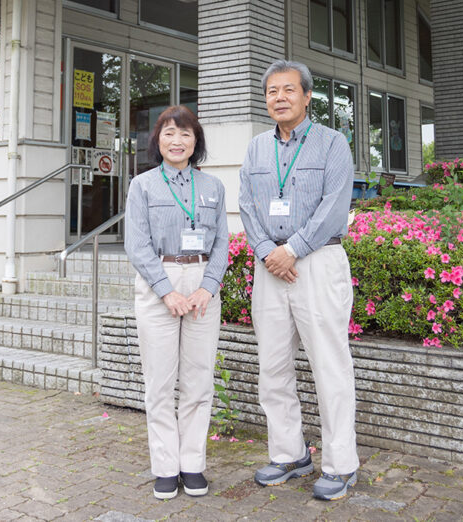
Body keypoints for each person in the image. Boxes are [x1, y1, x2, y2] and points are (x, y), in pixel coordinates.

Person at [238, 60, 359, 501]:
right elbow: (248, 205)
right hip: (270, 266)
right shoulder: (255, 149)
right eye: (272, 91)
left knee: (329, 364)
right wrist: (270, 251)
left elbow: (334, 203)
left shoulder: (332, 143)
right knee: (272, 366)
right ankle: (290, 454)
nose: (280, 98)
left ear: (307, 97)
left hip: (317, 261)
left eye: (289, 90)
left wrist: (293, 249)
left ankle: (341, 464)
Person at [125, 105, 228, 500]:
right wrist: (166, 291)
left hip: (202, 283)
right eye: (169, 133)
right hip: (159, 283)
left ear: (195, 142)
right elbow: (136, 244)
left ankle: (193, 464)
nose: (177, 141)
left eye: (185, 134)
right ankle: (166, 467)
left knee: (199, 380)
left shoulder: (213, 188)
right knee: (160, 383)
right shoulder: (143, 186)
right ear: (158, 140)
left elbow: (221, 241)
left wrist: (208, 286)